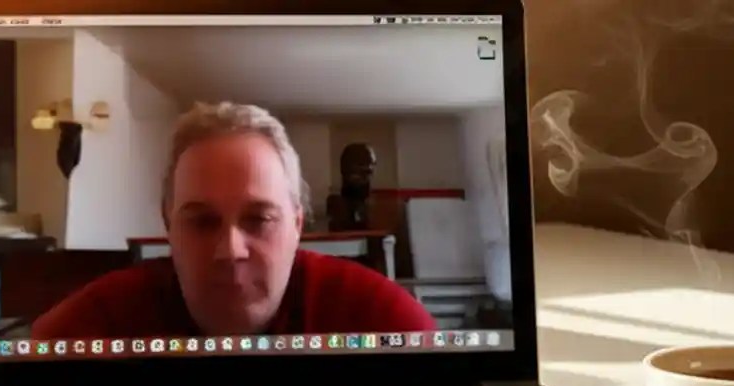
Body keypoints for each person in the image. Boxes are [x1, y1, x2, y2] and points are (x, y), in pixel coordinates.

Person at [31, 101, 436, 339]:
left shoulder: (377, 318)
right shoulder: (101, 322)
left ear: (297, 226)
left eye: (259, 219)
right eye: (202, 221)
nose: (230, 251)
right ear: (168, 225)